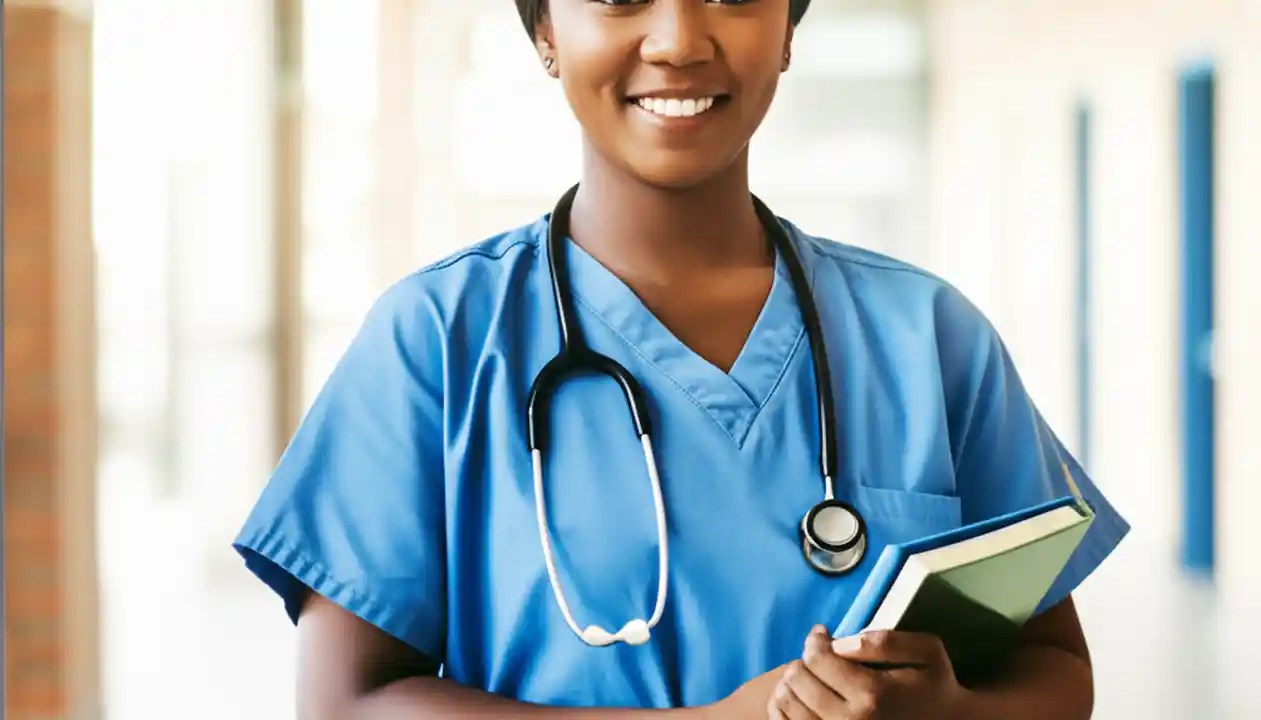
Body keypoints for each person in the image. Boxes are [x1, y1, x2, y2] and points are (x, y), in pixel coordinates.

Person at [233, 0, 1130, 717]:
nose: (678, 38)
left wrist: (950, 714)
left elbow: (1055, 670)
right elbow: (349, 702)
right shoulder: (433, 343)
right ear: (545, 29)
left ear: (788, 28)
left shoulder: (930, 338)